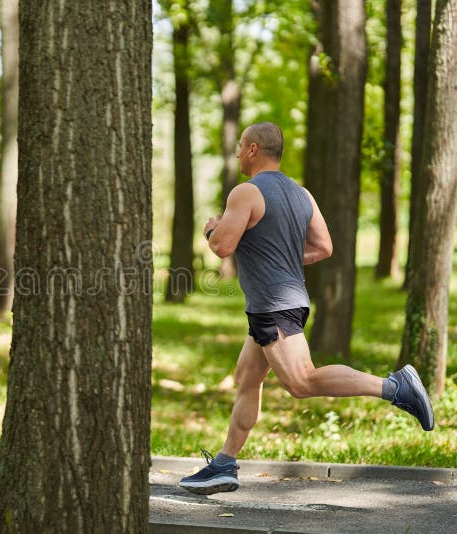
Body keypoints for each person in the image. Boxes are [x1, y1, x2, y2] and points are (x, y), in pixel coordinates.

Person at [179, 122, 434, 496]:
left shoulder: (245, 193)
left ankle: (396, 387)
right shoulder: (302, 195)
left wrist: (211, 230)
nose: (237, 153)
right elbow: (323, 247)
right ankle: (224, 464)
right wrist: (277, 257)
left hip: (273, 307)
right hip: (287, 300)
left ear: (253, 149)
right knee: (247, 378)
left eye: (240, 146)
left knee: (301, 381)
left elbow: (222, 247)